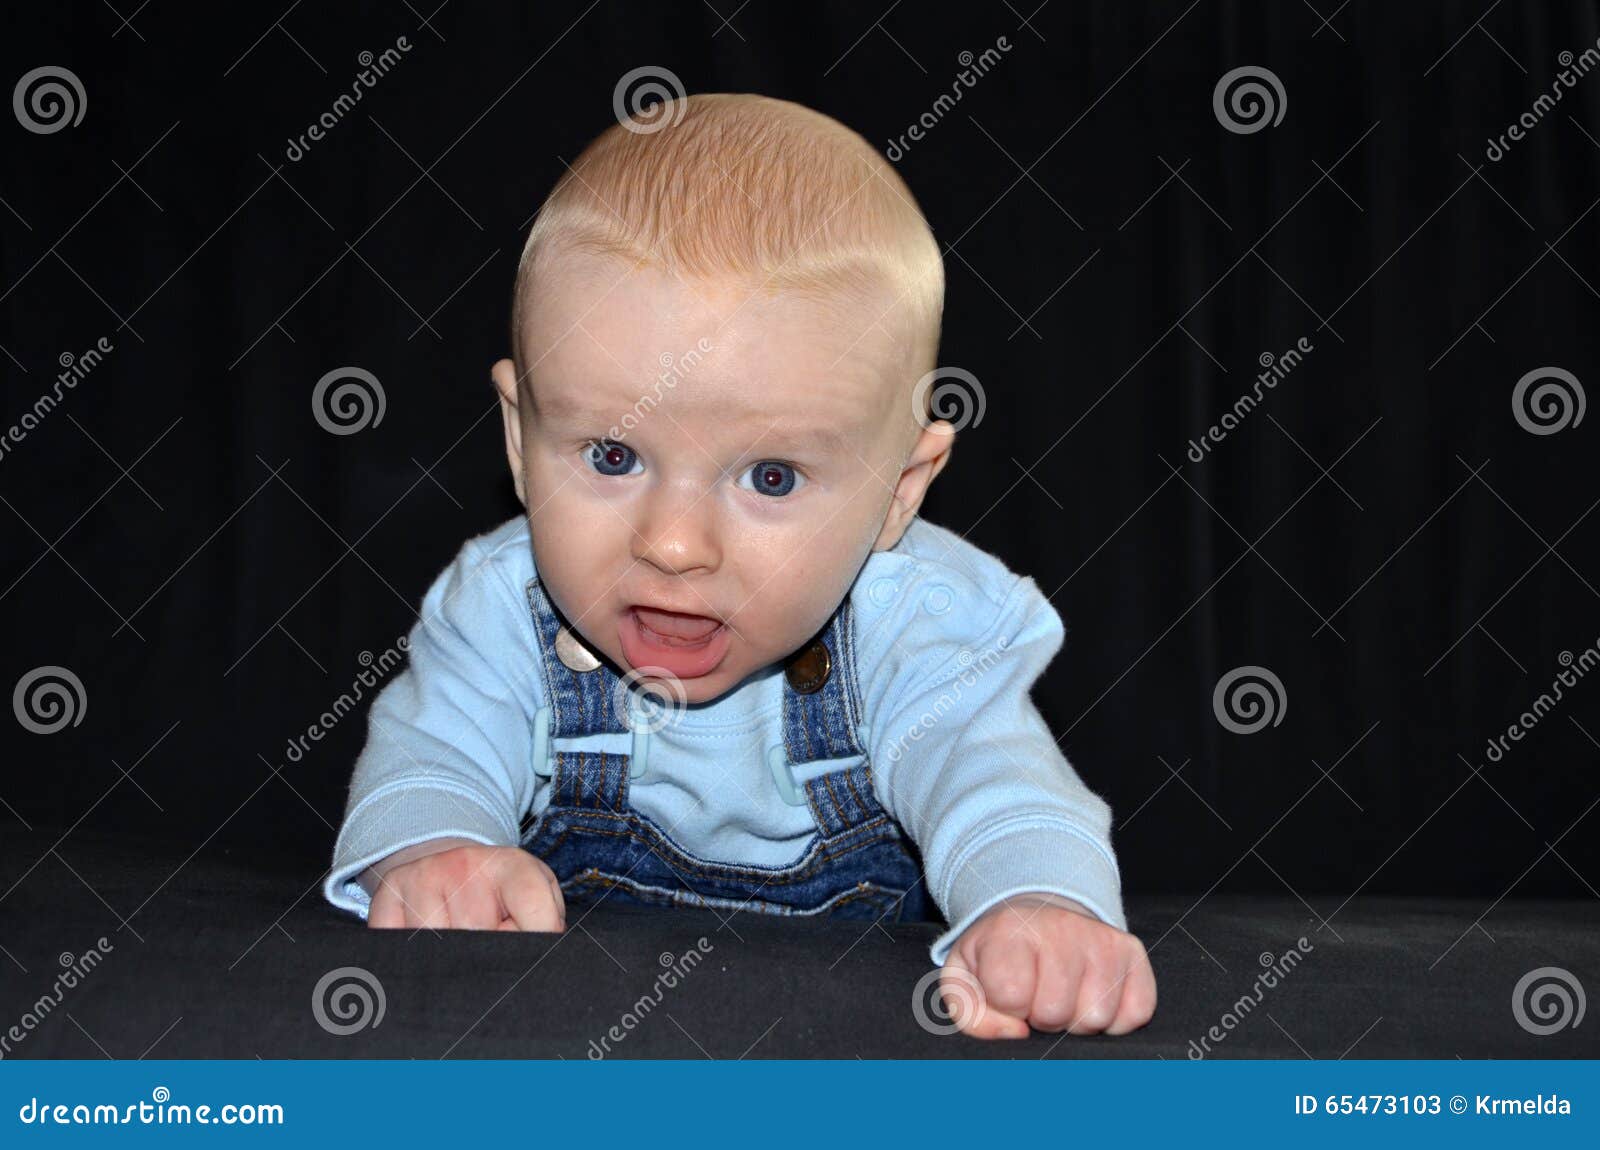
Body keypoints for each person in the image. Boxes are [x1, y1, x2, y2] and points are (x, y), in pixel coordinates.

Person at [324, 92, 1155, 1039]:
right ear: (520, 438)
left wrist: (1040, 910)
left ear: (899, 489)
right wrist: (437, 851)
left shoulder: (912, 622)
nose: (674, 544)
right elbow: (430, 758)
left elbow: (995, 783)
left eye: (771, 476)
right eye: (612, 456)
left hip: (832, 1052)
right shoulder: (503, 612)